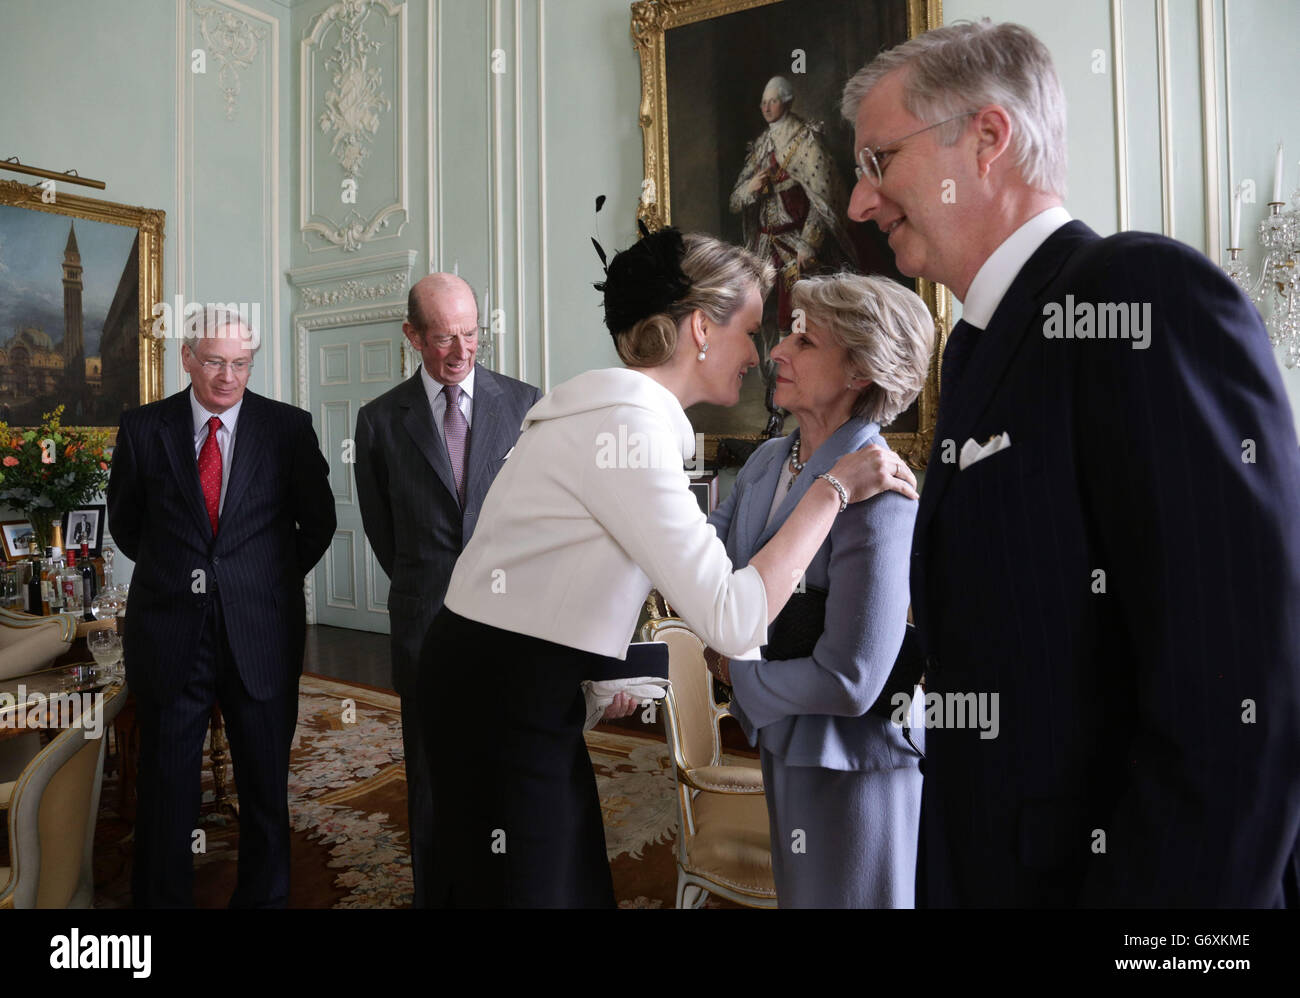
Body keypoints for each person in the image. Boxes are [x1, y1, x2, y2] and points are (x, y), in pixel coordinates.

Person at [842, 19, 1300, 906]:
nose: (861, 202)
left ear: (986, 138)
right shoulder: (976, 350)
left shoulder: (1138, 293)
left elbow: (1241, 692)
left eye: (877, 161)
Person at [417, 229, 918, 907]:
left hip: (500, 679)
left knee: (548, 878)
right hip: (502, 696)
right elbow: (734, 614)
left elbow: (640, 565)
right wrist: (832, 491)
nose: (761, 354)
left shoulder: (607, 408)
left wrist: (603, 670)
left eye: (793, 338)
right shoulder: (631, 428)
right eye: (749, 330)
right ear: (700, 330)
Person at [704, 272, 933, 907]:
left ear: (861, 369)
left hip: (856, 769)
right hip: (787, 741)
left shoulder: (883, 491)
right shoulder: (766, 463)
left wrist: (735, 673)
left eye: (804, 341)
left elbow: (853, 678)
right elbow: (704, 566)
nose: (777, 350)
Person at [107, 307, 335, 907]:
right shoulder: (142, 428)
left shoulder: (288, 429)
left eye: (241, 364)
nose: (229, 377)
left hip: (260, 631)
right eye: (215, 362)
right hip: (169, 632)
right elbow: (129, 526)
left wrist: (256, 582)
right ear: (187, 358)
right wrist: (181, 578)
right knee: (167, 789)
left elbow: (317, 523)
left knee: (264, 787)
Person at [353, 273, 541, 907]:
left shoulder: (526, 405)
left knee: (510, 770)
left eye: (471, 334)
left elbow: (542, 517)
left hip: (512, 626)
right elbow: (383, 529)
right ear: (412, 337)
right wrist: (426, 585)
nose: (461, 351)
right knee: (432, 780)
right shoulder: (379, 421)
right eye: (442, 338)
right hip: (426, 623)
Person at [730, 76, 857, 332]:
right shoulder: (761, 145)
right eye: (763, 103)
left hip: (796, 245)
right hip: (764, 246)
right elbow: (735, 200)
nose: (766, 108)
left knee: (801, 317)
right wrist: (751, 187)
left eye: (773, 101)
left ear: (787, 102)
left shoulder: (806, 139)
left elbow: (823, 196)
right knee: (757, 315)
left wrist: (809, 243)